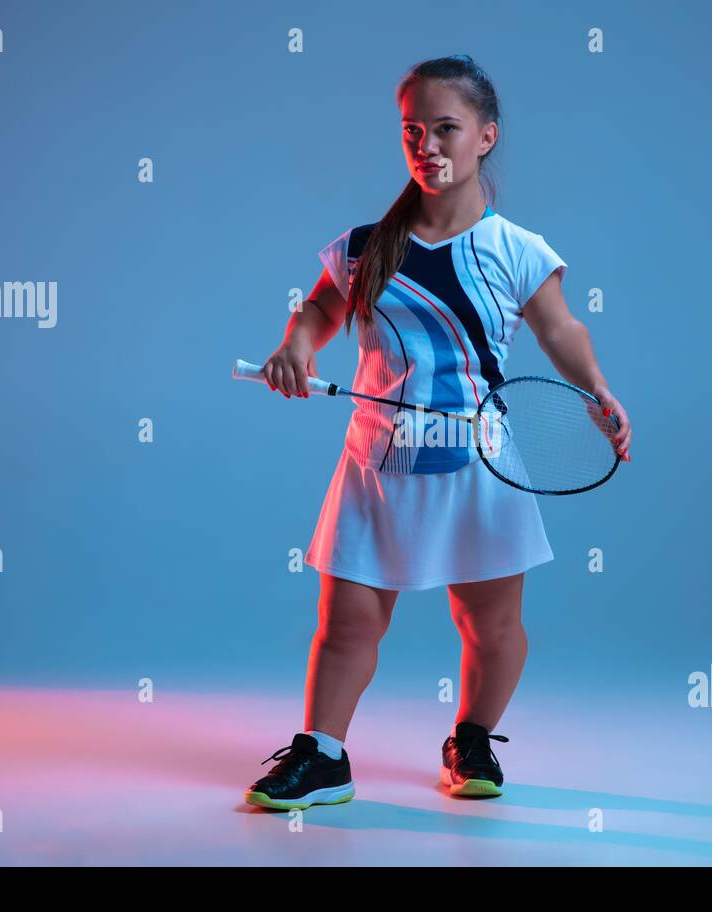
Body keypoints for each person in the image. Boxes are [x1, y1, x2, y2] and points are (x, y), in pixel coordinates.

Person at [245, 55, 632, 809]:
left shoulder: (517, 249)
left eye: (446, 129)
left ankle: (473, 737)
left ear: (486, 137)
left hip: (478, 464)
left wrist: (598, 388)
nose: (428, 145)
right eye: (413, 131)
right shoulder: (365, 246)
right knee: (347, 622)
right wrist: (296, 345)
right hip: (375, 462)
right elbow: (322, 309)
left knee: (491, 626)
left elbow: (560, 327)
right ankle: (324, 756)